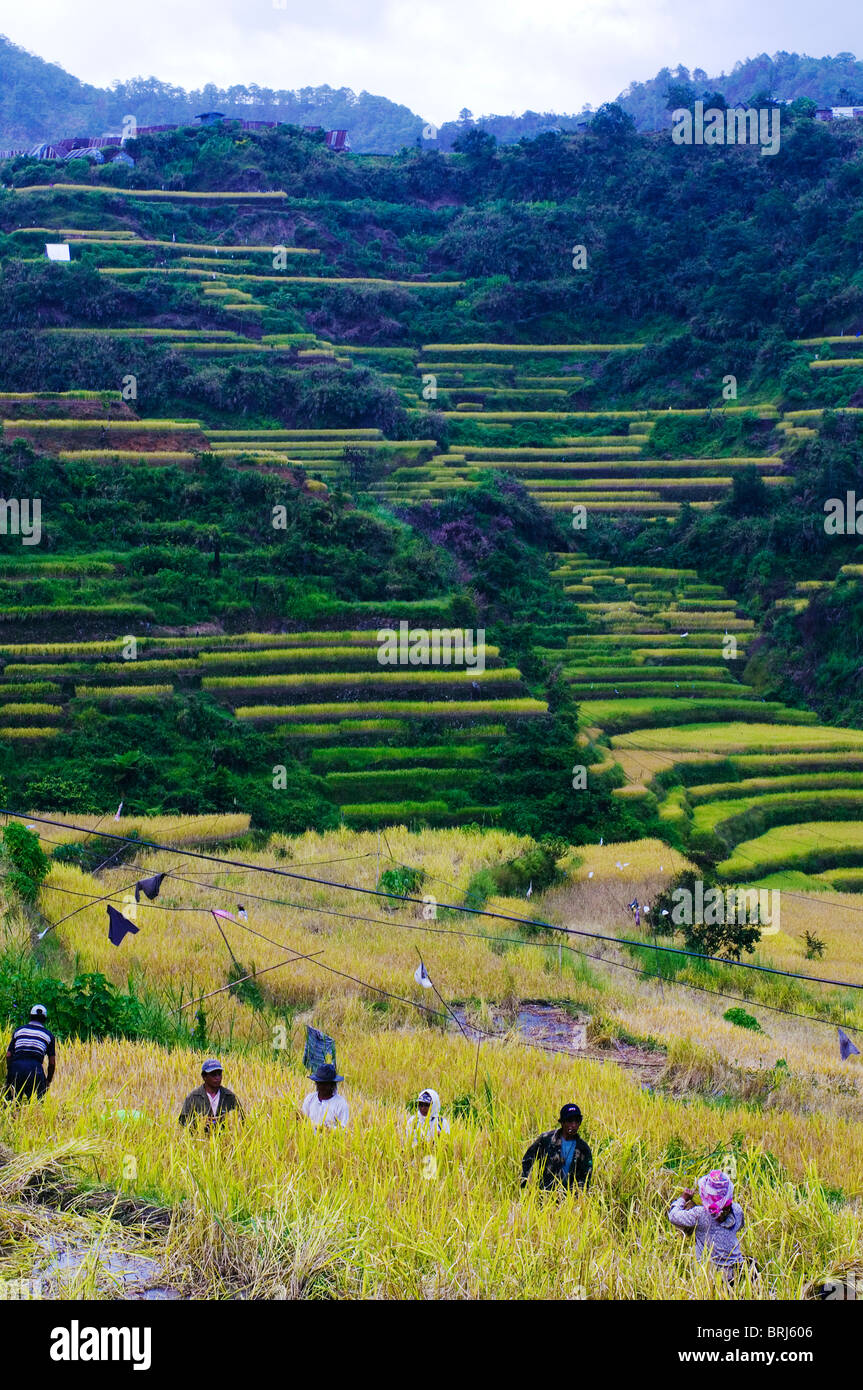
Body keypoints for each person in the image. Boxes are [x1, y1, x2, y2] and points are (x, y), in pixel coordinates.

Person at [668, 1170, 754, 1283]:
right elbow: (739, 1226)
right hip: (738, 1271)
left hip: (714, 1277)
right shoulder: (737, 1210)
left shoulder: (701, 1214)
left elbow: (673, 1216)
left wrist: (683, 1198)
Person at [521, 1103, 592, 1192]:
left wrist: (578, 1197)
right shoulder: (546, 1140)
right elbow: (528, 1159)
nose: (574, 1125)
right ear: (562, 1122)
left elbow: (586, 1176)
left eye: (577, 1121)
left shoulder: (583, 1148)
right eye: (570, 1121)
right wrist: (526, 1181)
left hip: (570, 1198)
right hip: (545, 1195)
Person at [5, 1004, 55, 1101]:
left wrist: (10, 1070)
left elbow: (8, 1055)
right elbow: (52, 1063)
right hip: (35, 1069)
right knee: (37, 1105)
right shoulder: (48, 1035)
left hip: (16, 1067)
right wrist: (48, 1081)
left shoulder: (19, 1031)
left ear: (30, 1016)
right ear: (44, 1019)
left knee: (11, 1104)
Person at [179, 1059, 244, 1131]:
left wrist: (227, 1121)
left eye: (219, 1074)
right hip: (200, 1140)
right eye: (213, 1075)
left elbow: (242, 1121)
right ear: (204, 1077)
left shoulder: (230, 1097)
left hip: (225, 1140)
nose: (217, 1078)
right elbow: (183, 1123)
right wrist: (200, 1122)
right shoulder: (193, 1097)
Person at [301, 1062, 349, 1129]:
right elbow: (303, 1120)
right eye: (320, 1083)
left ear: (332, 1085)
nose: (322, 1087)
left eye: (326, 1084)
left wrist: (326, 1129)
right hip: (309, 1138)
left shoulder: (340, 1104)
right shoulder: (310, 1099)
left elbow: (344, 1129)